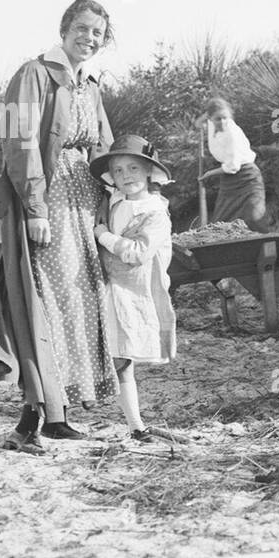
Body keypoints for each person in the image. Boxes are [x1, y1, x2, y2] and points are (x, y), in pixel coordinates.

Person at [0, 0, 118, 454]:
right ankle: (29, 418)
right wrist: (35, 210)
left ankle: (57, 416)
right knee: (43, 302)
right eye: (81, 28)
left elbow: (103, 146)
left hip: (81, 201)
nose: (89, 38)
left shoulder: (90, 84)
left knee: (78, 299)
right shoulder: (34, 74)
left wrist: (123, 192)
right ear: (64, 28)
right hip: (48, 199)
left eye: (97, 33)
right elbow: (21, 145)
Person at [90, 135, 189, 445]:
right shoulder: (116, 201)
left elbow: (137, 253)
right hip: (111, 289)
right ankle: (135, 424)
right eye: (118, 171)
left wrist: (103, 236)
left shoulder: (155, 213)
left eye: (133, 168)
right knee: (117, 359)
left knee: (123, 358)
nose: (126, 176)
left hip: (135, 291)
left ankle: (136, 425)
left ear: (149, 172)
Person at [197, 96, 267, 231]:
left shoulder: (232, 133)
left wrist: (210, 173)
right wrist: (206, 114)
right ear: (210, 118)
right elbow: (198, 123)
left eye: (225, 118)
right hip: (229, 181)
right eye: (218, 118)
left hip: (248, 177)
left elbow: (233, 166)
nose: (222, 122)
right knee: (222, 222)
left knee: (253, 218)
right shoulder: (211, 125)